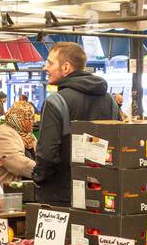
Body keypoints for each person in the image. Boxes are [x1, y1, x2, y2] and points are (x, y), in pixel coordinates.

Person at [32, 42, 120, 205]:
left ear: (66, 67)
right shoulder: (111, 102)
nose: (46, 68)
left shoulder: (56, 102)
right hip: (102, 195)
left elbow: (47, 154)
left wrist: (38, 177)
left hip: (61, 197)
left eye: (50, 63)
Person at [0, 99, 37, 186]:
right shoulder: (3, 133)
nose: (32, 122)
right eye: (28, 118)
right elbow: (19, 164)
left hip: (25, 189)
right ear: (16, 118)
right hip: (8, 191)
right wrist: (44, 171)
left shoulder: (29, 136)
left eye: (32, 118)